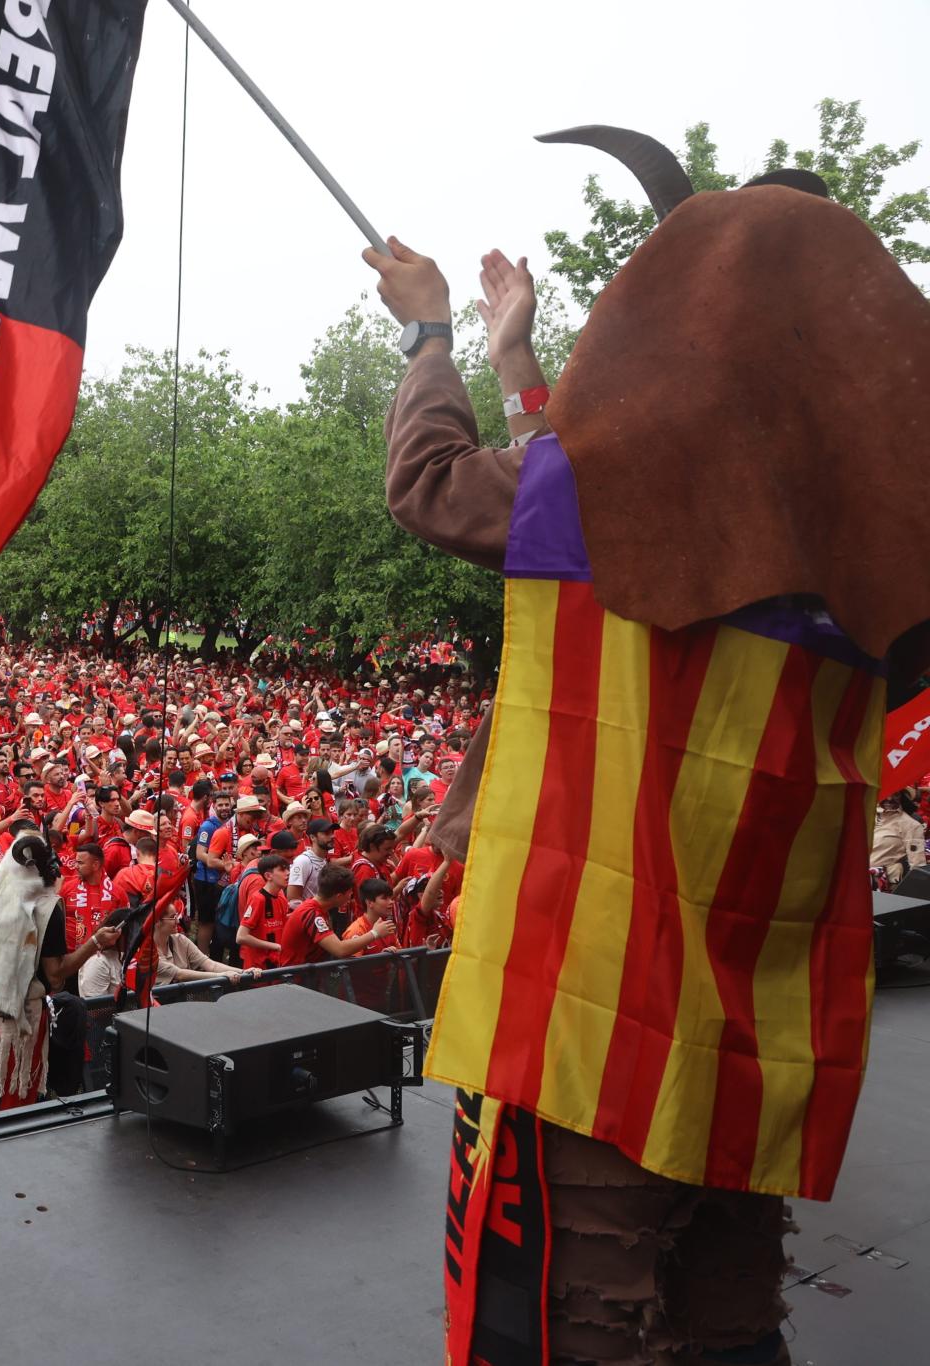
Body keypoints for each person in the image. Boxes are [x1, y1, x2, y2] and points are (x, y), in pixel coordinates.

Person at [364, 132, 930, 1364]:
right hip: (758, 1004)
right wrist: (523, 357)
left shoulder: (586, 492)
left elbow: (434, 483)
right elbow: (623, 491)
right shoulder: (892, 549)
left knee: (585, 1313)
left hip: (593, 997)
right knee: (732, 1305)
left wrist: (434, 335)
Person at [0, 833, 119, 1117]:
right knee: (16, 1097)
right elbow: (56, 974)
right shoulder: (47, 906)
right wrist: (96, 942)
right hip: (21, 1016)